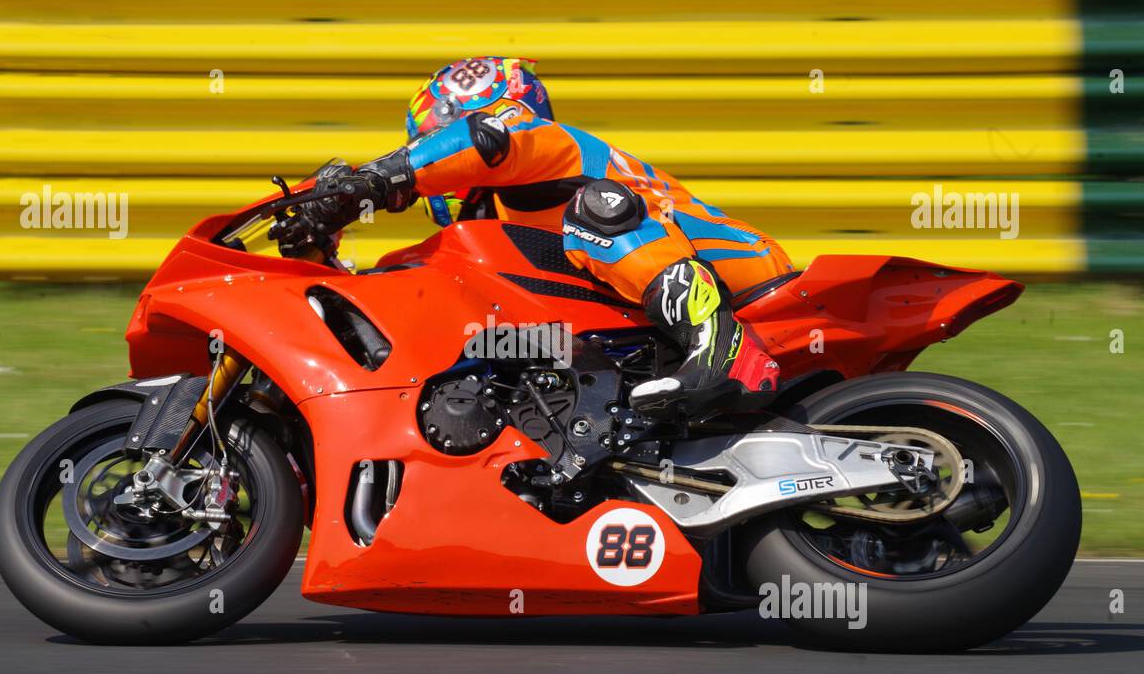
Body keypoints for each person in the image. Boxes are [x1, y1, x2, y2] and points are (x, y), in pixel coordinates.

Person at [282, 56, 794, 412]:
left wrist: (377, 177)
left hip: (745, 281)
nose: (424, 151)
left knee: (595, 211)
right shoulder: (490, 230)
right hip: (627, 327)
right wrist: (315, 248)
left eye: (428, 140)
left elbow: (486, 139)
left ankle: (720, 346)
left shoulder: (552, 149)